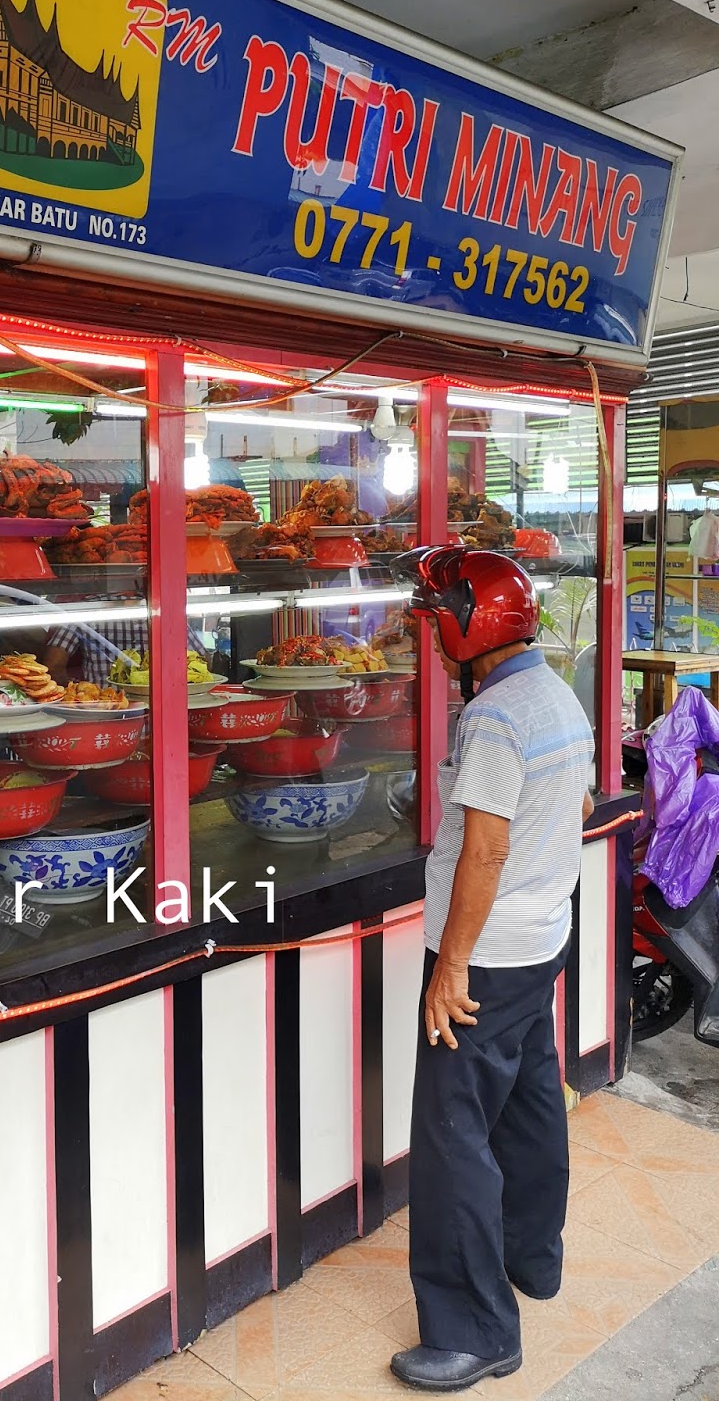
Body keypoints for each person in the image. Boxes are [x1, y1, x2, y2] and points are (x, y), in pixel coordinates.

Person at [389, 547, 594, 1394]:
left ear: (471, 627)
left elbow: (485, 850)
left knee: (451, 1135)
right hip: (543, 936)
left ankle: (476, 1334)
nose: (430, 635)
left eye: (437, 619)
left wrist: (452, 968)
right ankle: (532, 1259)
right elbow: (577, 805)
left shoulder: (497, 718)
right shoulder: (556, 697)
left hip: (488, 953)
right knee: (531, 1100)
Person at [43, 617, 206, 686]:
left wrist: (80, 693)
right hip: (160, 717)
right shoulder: (163, 609)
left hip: (104, 714)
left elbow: (52, 665)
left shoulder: (85, 612)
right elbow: (203, 663)